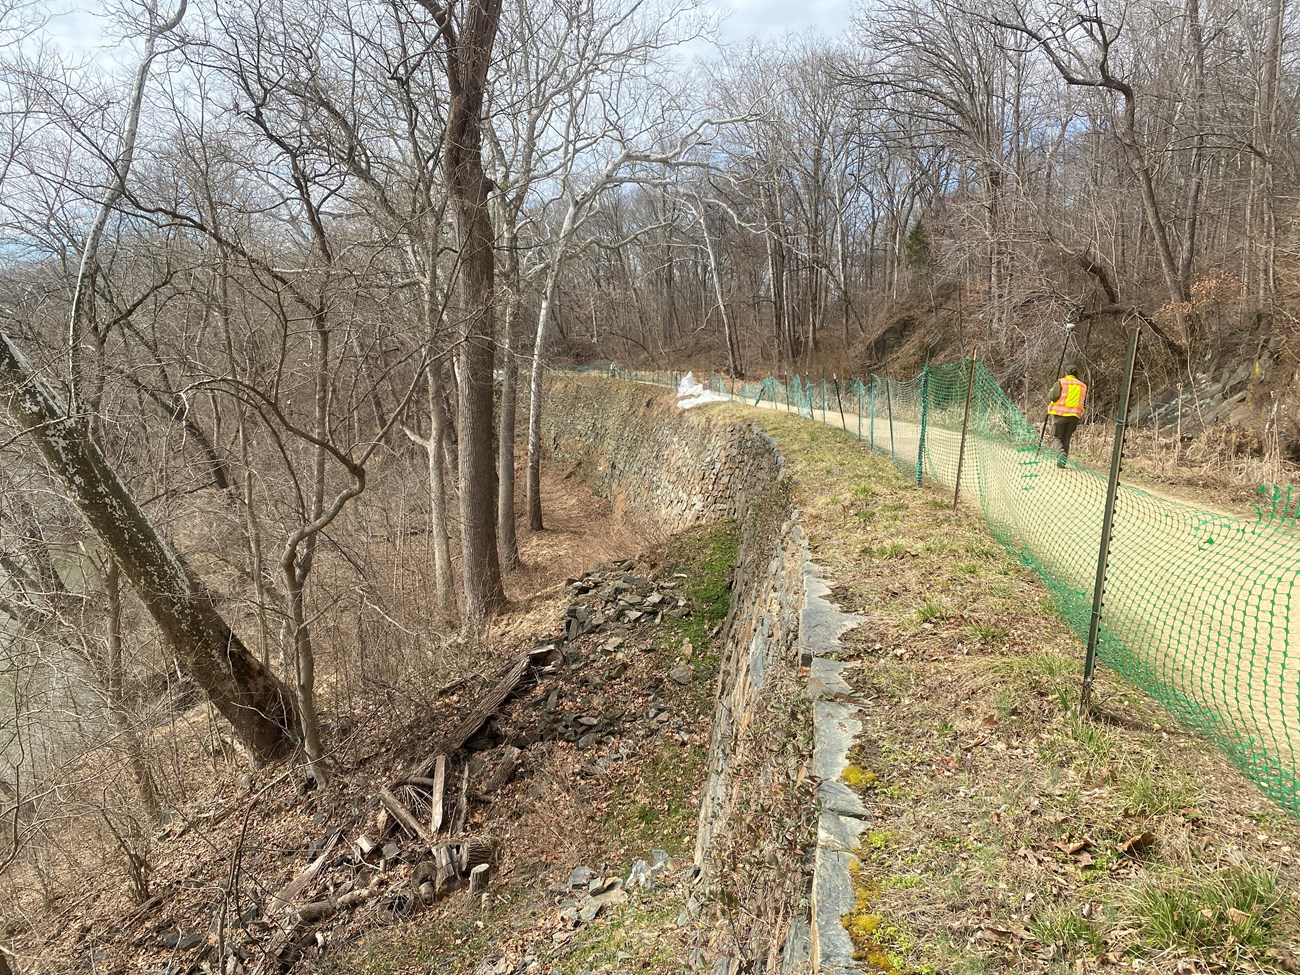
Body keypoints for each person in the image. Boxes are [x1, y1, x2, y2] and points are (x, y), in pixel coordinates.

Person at [1047, 363, 1088, 468]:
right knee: (1066, 438)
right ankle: (1062, 463)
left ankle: (1061, 453)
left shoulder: (1061, 382)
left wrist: (1050, 392)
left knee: (1056, 437)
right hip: (1074, 416)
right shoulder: (1083, 386)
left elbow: (1053, 396)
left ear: (1065, 372)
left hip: (1061, 414)